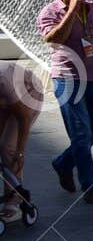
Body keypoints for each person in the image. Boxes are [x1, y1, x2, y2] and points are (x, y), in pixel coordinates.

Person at [37, 0, 93, 203]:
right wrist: (72, 11)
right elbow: (53, 38)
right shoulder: (49, 12)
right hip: (67, 78)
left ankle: (63, 162)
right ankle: (91, 186)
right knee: (80, 133)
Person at [0, 61, 44, 223]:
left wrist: (20, 151)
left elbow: (23, 117)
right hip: (5, 99)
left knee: (7, 148)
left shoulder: (4, 81)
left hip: (30, 94)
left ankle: (15, 199)